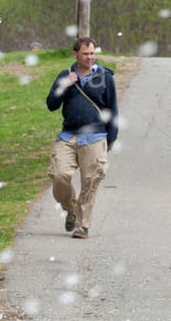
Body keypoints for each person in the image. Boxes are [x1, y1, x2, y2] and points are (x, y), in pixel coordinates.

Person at [44, 36, 118, 239]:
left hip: (95, 136)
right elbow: (51, 104)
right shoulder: (65, 75)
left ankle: (82, 225)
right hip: (68, 135)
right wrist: (65, 85)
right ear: (75, 54)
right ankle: (72, 208)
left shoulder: (104, 76)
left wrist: (111, 139)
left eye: (92, 53)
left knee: (90, 180)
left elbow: (112, 110)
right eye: (85, 54)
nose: (89, 57)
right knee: (59, 175)